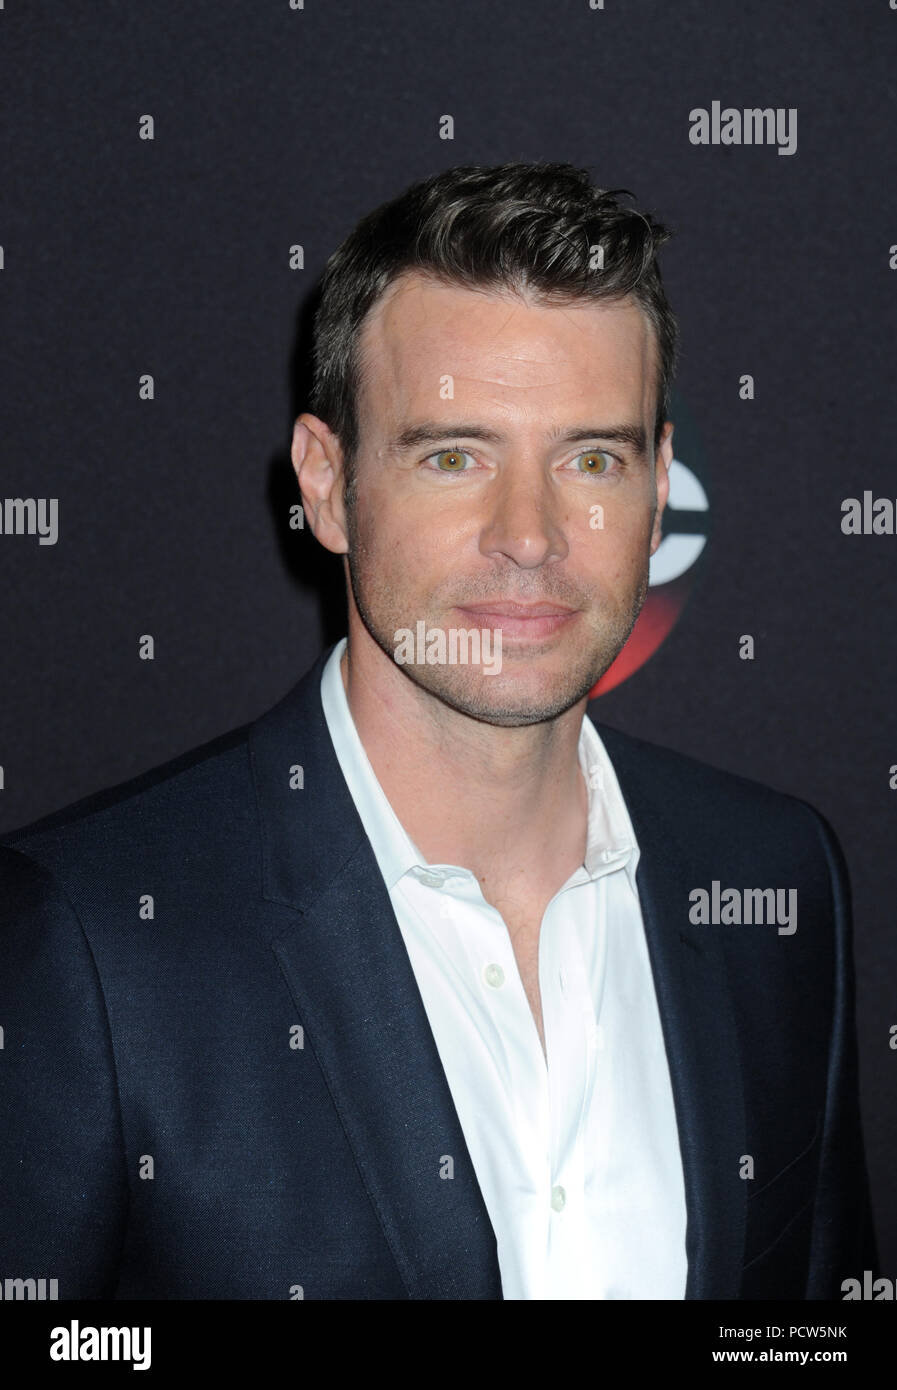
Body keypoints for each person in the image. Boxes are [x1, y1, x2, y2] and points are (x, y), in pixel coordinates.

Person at [0, 162, 876, 1300]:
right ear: (326, 481)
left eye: (591, 457)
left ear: (661, 489)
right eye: (454, 454)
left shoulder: (775, 879)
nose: (530, 534)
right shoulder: (89, 941)